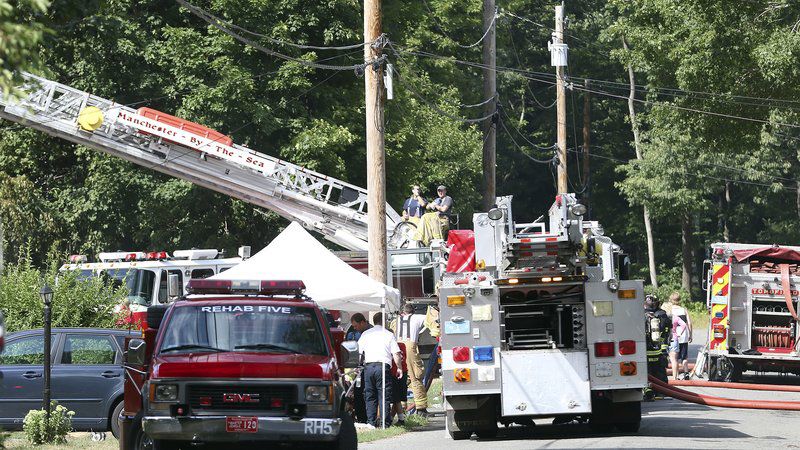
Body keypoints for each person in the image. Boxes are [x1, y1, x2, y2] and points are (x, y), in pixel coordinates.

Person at [357, 312, 403, 428]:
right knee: (384, 395)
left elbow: (358, 353)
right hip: (382, 367)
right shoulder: (388, 334)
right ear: (384, 321)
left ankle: (371, 422)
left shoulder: (365, 334)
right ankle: (384, 423)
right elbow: (396, 354)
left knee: (370, 395)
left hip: (368, 367)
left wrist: (358, 366)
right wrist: (399, 368)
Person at [393, 303, 429, 416]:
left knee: (401, 376)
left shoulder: (396, 320)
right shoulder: (418, 317)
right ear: (413, 312)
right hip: (410, 347)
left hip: (397, 347)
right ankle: (421, 409)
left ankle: (402, 407)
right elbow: (431, 319)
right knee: (415, 376)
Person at [643, 294, 671, 400]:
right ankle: (660, 393)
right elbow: (666, 332)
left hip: (645, 351)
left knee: (646, 372)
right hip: (659, 351)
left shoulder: (640, 314)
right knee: (659, 372)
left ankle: (647, 391)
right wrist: (664, 348)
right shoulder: (662, 314)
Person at [345, 313, 371, 423]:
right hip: (358, 368)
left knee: (367, 395)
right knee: (358, 395)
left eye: (356, 326)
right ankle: (361, 419)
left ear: (362, 322)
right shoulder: (355, 332)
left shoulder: (371, 333)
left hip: (368, 366)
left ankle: (368, 419)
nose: (355, 328)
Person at [668, 292, 692, 380]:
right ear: (679, 300)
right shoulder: (684, 309)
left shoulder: (670, 310)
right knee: (684, 356)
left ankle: (676, 375)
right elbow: (689, 323)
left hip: (673, 335)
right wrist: (690, 334)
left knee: (675, 357)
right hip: (683, 334)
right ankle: (686, 373)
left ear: (671, 300)